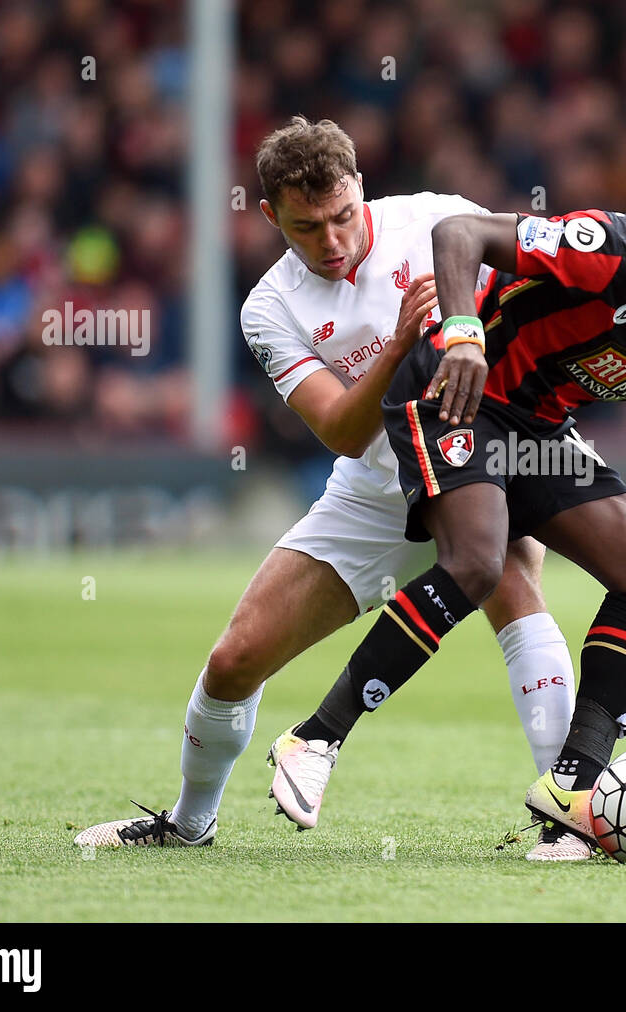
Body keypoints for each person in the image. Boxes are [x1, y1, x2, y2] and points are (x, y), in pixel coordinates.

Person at [73, 117, 575, 849]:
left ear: (361, 189)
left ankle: (569, 819)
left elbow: (548, 289)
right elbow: (342, 428)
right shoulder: (269, 309)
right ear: (272, 216)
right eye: (309, 228)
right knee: (235, 658)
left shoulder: (438, 221)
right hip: (374, 485)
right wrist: (405, 342)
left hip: (481, 454)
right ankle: (189, 823)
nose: (334, 242)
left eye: (343, 217)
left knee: (516, 584)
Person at [284, 167, 626, 861]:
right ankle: (316, 736)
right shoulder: (612, 248)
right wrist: (465, 334)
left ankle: (573, 797)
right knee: (475, 562)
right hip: (454, 392)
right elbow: (460, 232)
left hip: (537, 428)